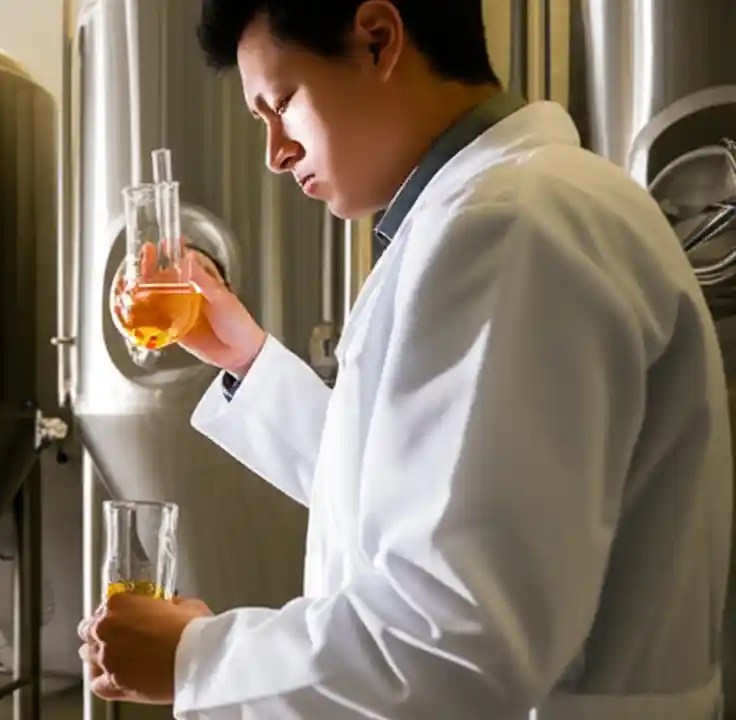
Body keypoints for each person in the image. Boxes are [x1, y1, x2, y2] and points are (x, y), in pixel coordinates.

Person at [77, 0, 734, 718]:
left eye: (283, 103)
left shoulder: (510, 227)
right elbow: (417, 486)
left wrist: (197, 659)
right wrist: (247, 357)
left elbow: (450, 639)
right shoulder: (497, 212)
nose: (275, 152)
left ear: (379, 40)